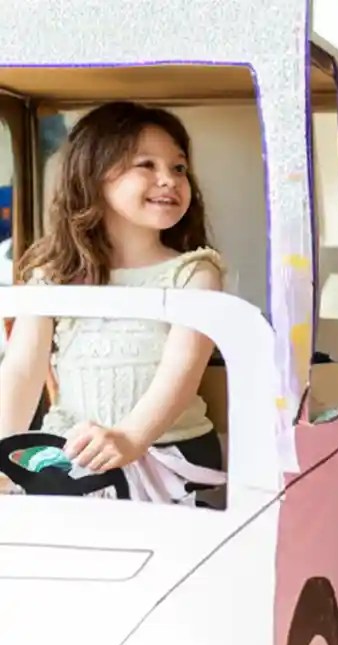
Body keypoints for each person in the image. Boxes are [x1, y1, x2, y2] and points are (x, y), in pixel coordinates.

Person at [0, 101, 227, 498]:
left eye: (178, 168)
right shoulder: (52, 276)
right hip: (73, 450)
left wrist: (131, 436)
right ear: (94, 176)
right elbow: (21, 370)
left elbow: (181, 371)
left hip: (168, 450)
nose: (169, 179)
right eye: (147, 165)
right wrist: (3, 454)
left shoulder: (195, 273)